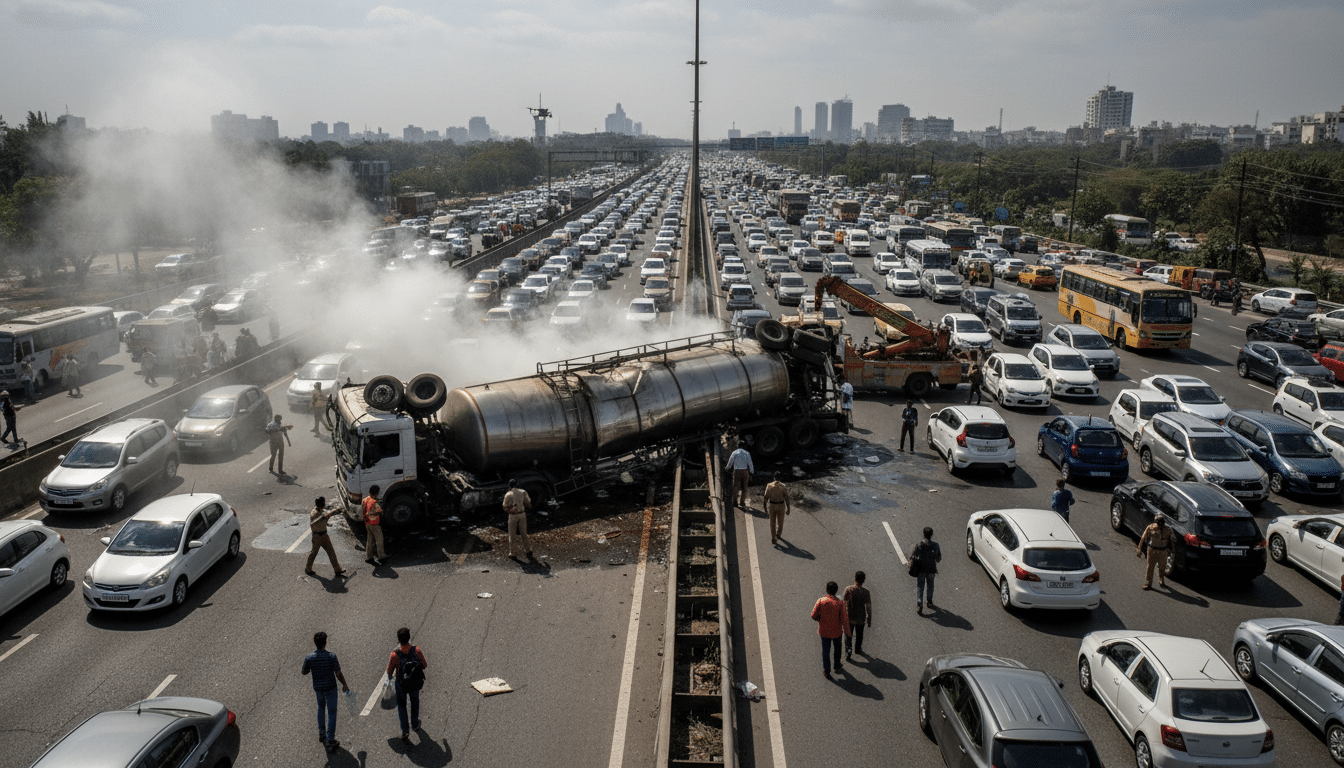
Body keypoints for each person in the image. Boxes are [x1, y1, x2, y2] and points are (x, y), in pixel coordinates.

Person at [301, 631, 350, 753]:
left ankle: (321, 732)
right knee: (332, 712)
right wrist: (344, 684)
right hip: (331, 688)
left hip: (318, 688)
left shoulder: (309, 658)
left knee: (321, 708)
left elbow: (304, 671)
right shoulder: (331, 656)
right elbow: (338, 673)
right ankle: (331, 739)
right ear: (325, 643)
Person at [386, 627, 428, 742]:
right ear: (409, 638)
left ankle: (405, 730)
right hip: (415, 683)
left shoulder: (394, 655)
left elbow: (389, 672)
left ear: (398, 640)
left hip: (401, 684)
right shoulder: (417, 651)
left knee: (402, 706)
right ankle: (415, 723)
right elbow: (424, 665)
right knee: (415, 702)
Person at [810, 581, 851, 679]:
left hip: (824, 632)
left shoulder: (821, 601)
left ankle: (827, 671)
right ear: (836, 591)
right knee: (837, 649)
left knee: (826, 652)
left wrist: (821, 620)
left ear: (826, 590)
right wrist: (848, 633)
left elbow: (813, 615)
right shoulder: (840, 603)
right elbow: (844, 620)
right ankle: (836, 665)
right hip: (837, 632)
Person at [305, 497, 345, 577]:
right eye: (324, 503)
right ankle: (308, 568)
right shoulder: (316, 514)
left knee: (331, 552)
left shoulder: (317, 510)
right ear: (322, 505)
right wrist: (337, 511)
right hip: (317, 537)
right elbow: (327, 516)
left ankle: (337, 569)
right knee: (313, 553)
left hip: (324, 535)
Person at [1137, 515, 1174, 590]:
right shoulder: (1151, 527)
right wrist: (1139, 549)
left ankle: (1161, 580)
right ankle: (1148, 583)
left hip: (1163, 551)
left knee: (1162, 566)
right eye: (1158, 522)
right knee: (1150, 567)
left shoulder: (1168, 529)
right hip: (1152, 550)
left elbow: (1172, 540)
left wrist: (1172, 551)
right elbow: (1143, 538)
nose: (1160, 524)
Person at [910, 527, 941, 615]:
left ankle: (919, 603)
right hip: (931, 569)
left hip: (921, 570)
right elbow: (938, 559)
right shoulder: (936, 545)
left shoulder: (919, 545)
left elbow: (914, 556)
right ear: (932, 535)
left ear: (923, 534)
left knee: (920, 586)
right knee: (930, 585)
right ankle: (929, 602)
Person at [843, 571, 872, 660]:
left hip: (849, 617)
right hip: (860, 618)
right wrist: (869, 618)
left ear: (855, 579)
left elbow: (843, 603)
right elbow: (868, 607)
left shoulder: (848, 589)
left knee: (848, 635)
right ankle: (857, 649)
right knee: (859, 635)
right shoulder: (866, 592)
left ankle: (848, 652)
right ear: (863, 581)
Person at [502, 478, 533, 560]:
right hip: (522, 514)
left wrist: (510, 509)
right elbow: (528, 503)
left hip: (513, 515)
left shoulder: (508, 494)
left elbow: (505, 507)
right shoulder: (523, 492)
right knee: (524, 533)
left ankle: (513, 553)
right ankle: (528, 550)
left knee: (512, 535)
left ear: (509, 486)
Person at [361, 485, 386, 565]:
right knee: (379, 540)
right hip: (375, 524)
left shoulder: (365, 500)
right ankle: (381, 557)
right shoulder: (374, 503)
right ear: (376, 494)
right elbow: (380, 511)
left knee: (370, 540)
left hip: (367, 523)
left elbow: (364, 510)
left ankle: (369, 557)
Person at [762, 472, 790, 545]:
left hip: (772, 505)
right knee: (780, 522)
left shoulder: (769, 486)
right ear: (780, 478)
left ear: (774, 478)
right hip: (781, 505)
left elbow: (765, 497)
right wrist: (788, 508)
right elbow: (786, 498)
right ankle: (778, 534)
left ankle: (773, 537)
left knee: (772, 522)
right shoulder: (783, 486)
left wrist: (764, 507)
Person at [725, 443, 755, 509]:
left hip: (736, 472)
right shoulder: (747, 453)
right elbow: (750, 464)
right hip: (745, 472)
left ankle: (735, 502)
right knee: (745, 487)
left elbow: (730, 462)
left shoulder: (734, 453)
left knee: (736, 487)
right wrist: (751, 472)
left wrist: (727, 468)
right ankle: (742, 502)